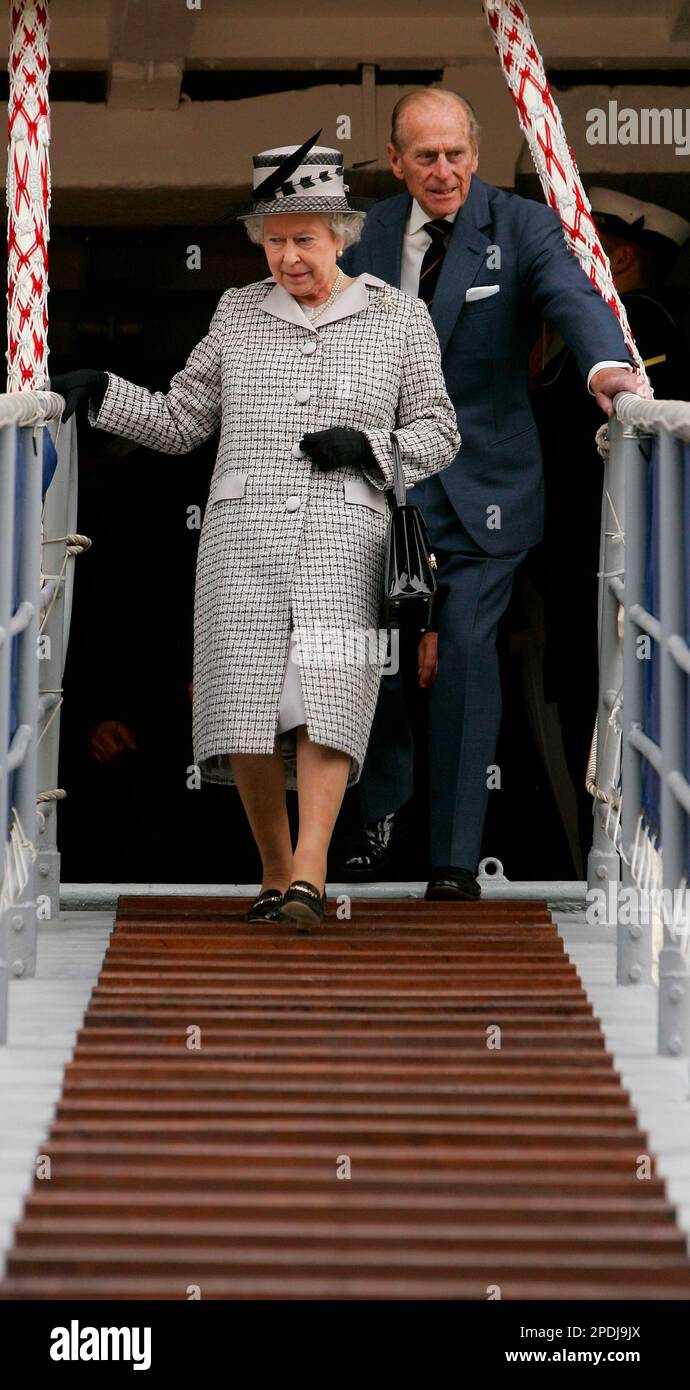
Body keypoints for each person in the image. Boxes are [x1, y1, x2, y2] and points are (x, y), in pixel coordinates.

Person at [49, 134, 459, 929]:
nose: (288, 257)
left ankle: (309, 873)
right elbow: (179, 421)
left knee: (328, 700)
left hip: (347, 541)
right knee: (246, 706)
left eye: (303, 239)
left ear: (340, 234)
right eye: (274, 241)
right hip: (241, 544)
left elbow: (441, 432)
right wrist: (101, 389)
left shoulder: (397, 317)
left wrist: (370, 449)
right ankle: (274, 870)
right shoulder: (236, 312)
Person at [339, 87, 651, 900]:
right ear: (397, 158)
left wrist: (602, 365)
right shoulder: (365, 234)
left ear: (475, 154)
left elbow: (570, 297)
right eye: (425, 156)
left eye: (456, 154)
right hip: (388, 487)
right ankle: (380, 818)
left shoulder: (521, 227)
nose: (443, 171)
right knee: (383, 664)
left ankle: (451, 861)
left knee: (469, 657)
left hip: (485, 488)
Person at [529, 188, 690, 864]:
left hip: (625, 565)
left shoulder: (640, 326)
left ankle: (625, 870)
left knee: (622, 714)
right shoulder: (589, 334)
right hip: (595, 562)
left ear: (617, 255)